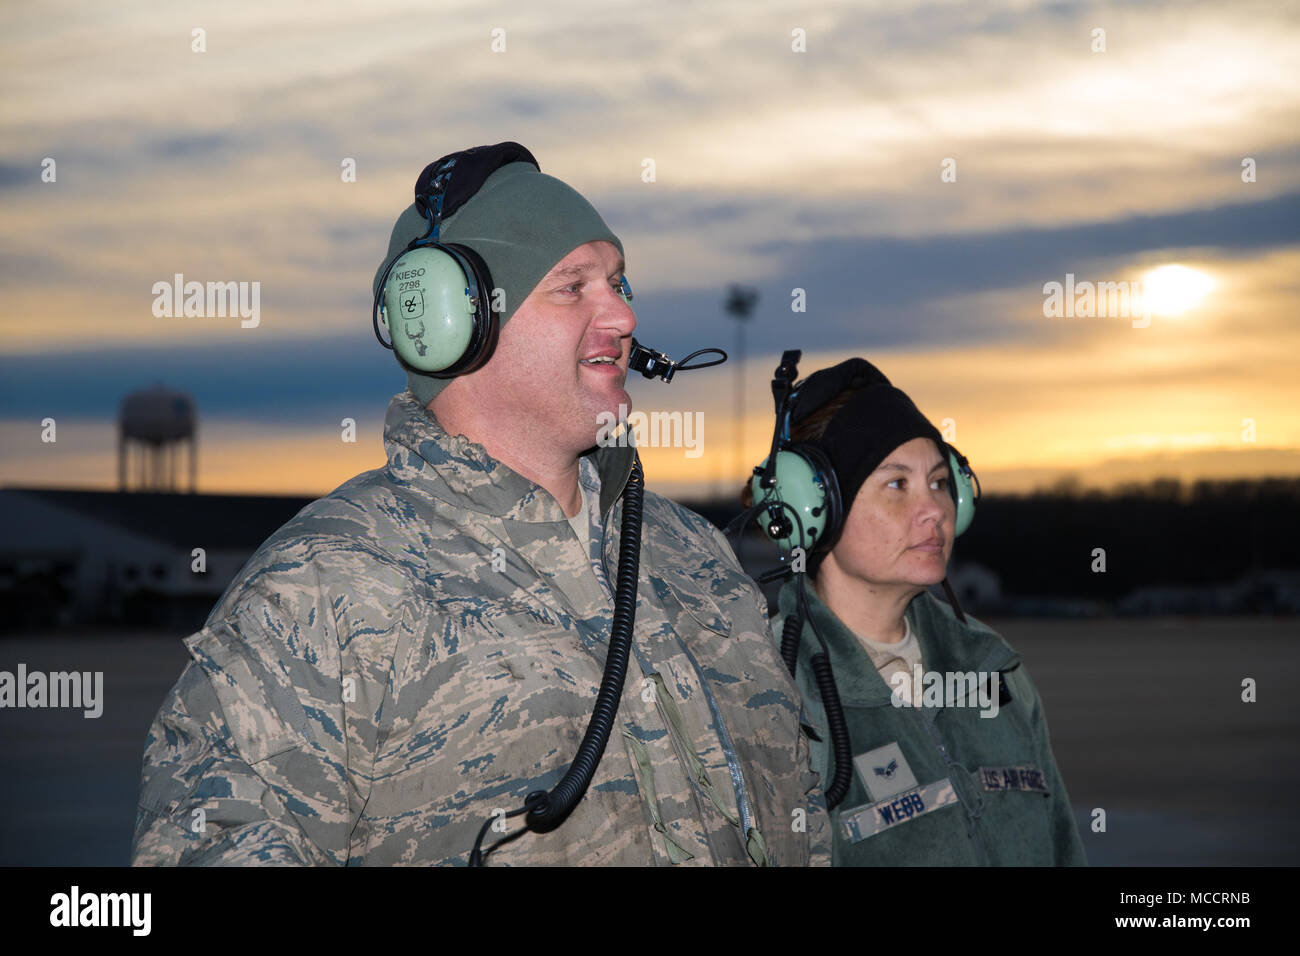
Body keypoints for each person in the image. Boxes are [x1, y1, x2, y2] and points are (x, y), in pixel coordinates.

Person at [131, 143, 826, 866]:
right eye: (572, 287)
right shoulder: (325, 587)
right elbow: (205, 844)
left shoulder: (695, 555)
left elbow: (806, 813)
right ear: (452, 320)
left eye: (619, 283)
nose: (621, 314)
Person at [743, 356, 1085, 865]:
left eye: (942, 483)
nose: (934, 510)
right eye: (897, 484)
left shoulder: (994, 670)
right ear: (816, 510)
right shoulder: (768, 691)